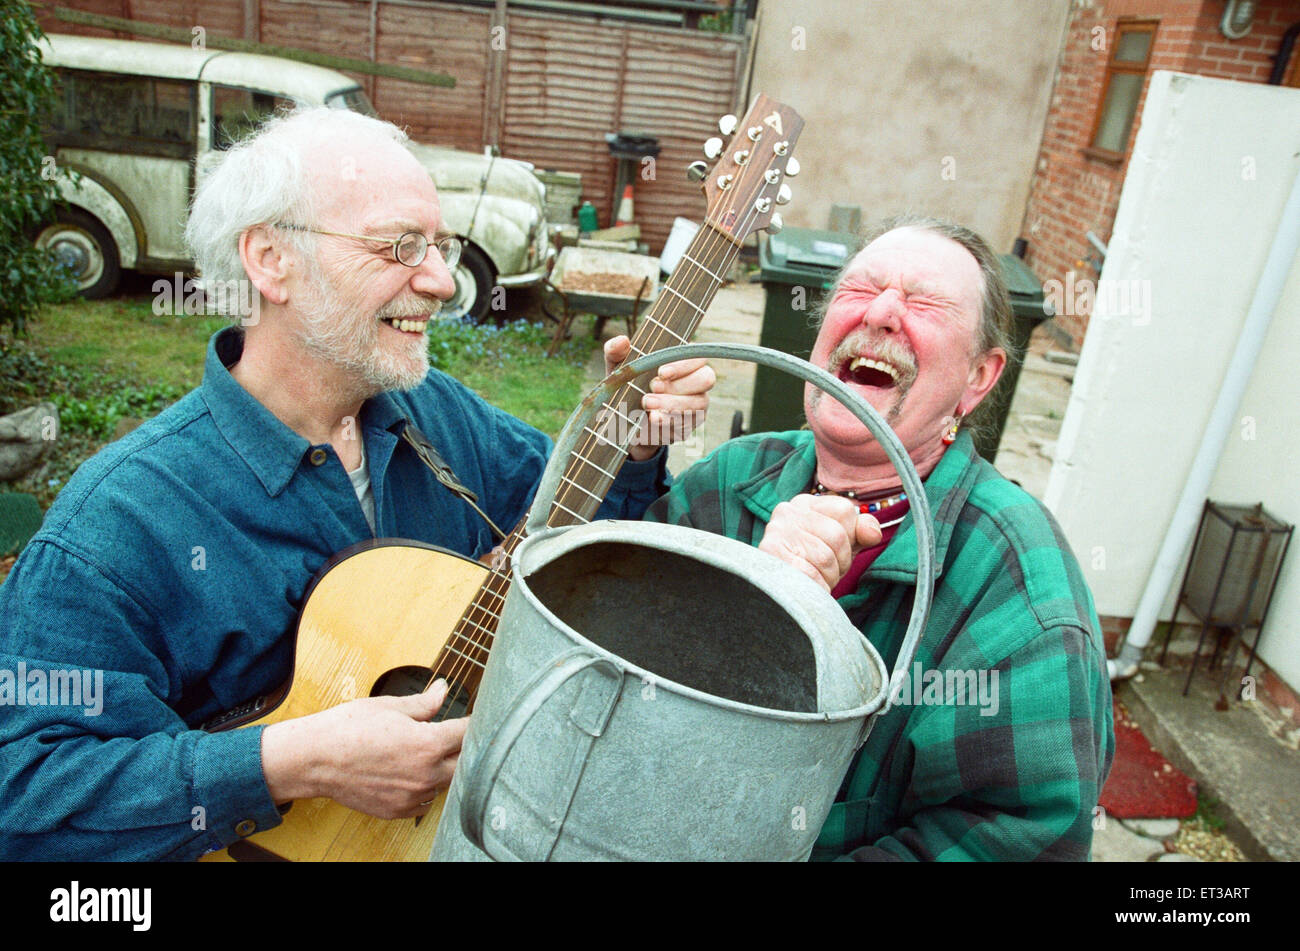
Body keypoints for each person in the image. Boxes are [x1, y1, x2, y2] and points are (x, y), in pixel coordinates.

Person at [0, 107, 713, 860]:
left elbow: (579, 538)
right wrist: (289, 762)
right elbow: (25, 791)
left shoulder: (438, 414)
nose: (440, 281)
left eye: (438, 247)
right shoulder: (119, 523)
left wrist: (627, 447)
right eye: (402, 245)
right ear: (271, 259)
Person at [646, 215, 1114, 861]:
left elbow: (1024, 839)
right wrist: (746, 602)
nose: (883, 311)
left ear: (979, 377)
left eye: (925, 301)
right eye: (859, 288)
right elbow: (608, 660)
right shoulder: (727, 479)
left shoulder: (1020, 594)